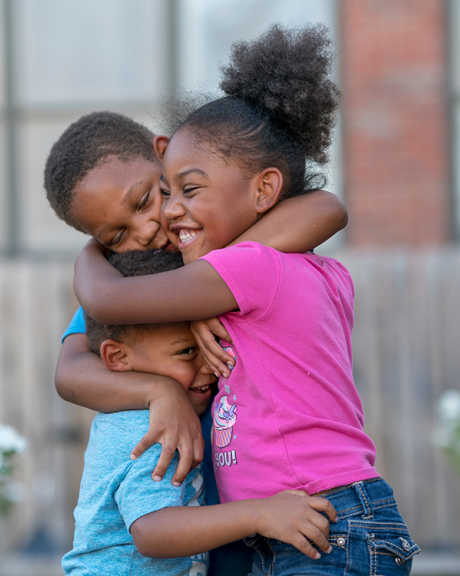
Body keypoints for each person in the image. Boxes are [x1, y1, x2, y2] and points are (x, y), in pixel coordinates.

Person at [73, 24, 420, 575]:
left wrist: (93, 248)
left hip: (319, 516)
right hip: (308, 518)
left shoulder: (248, 269)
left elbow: (108, 300)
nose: (167, 212)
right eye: (169, 191)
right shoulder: (303, 267)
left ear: (263, 190)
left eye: (187, 190)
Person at [47, 111, 347, 574]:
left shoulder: (222, 238)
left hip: (269, 499)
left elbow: (327, 209)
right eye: (117, 236)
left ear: (164, 154)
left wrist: (215, 281)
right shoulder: (138, 281)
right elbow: (70, 372)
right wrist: (160, 391)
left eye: (145, 199)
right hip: (204, 508)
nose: (147, 229)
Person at [62, 250, 337, 576]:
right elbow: (151, 530)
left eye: (212, 346)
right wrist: (261, 514)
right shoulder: (150, 427)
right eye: (187, 351)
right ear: (118, 357)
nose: (209, 365)